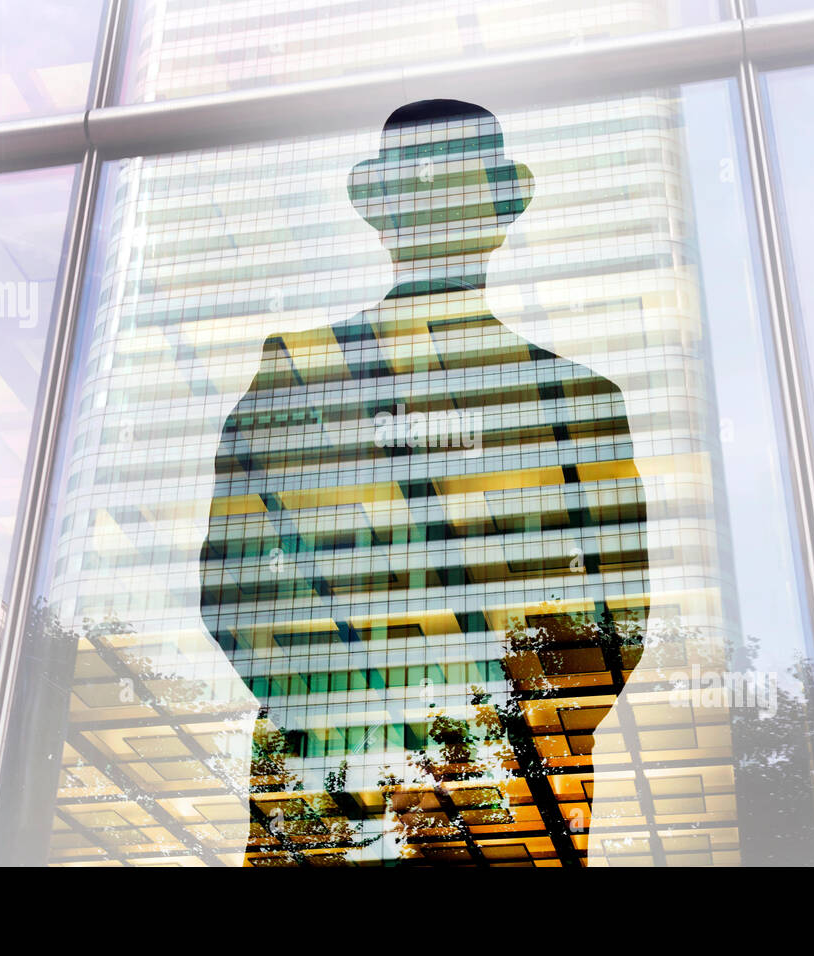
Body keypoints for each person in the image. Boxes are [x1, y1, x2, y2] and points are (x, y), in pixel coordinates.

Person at [202, 99, 651, 865]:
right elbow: (234, 590)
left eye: (459, 183)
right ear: (374, 203)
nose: (438, 206)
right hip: (339, 786)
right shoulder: (296, 376)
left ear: (506, 200)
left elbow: (615, 621)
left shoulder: (578, 399)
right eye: (418, 185)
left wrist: (480, 745)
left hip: (497, 788)